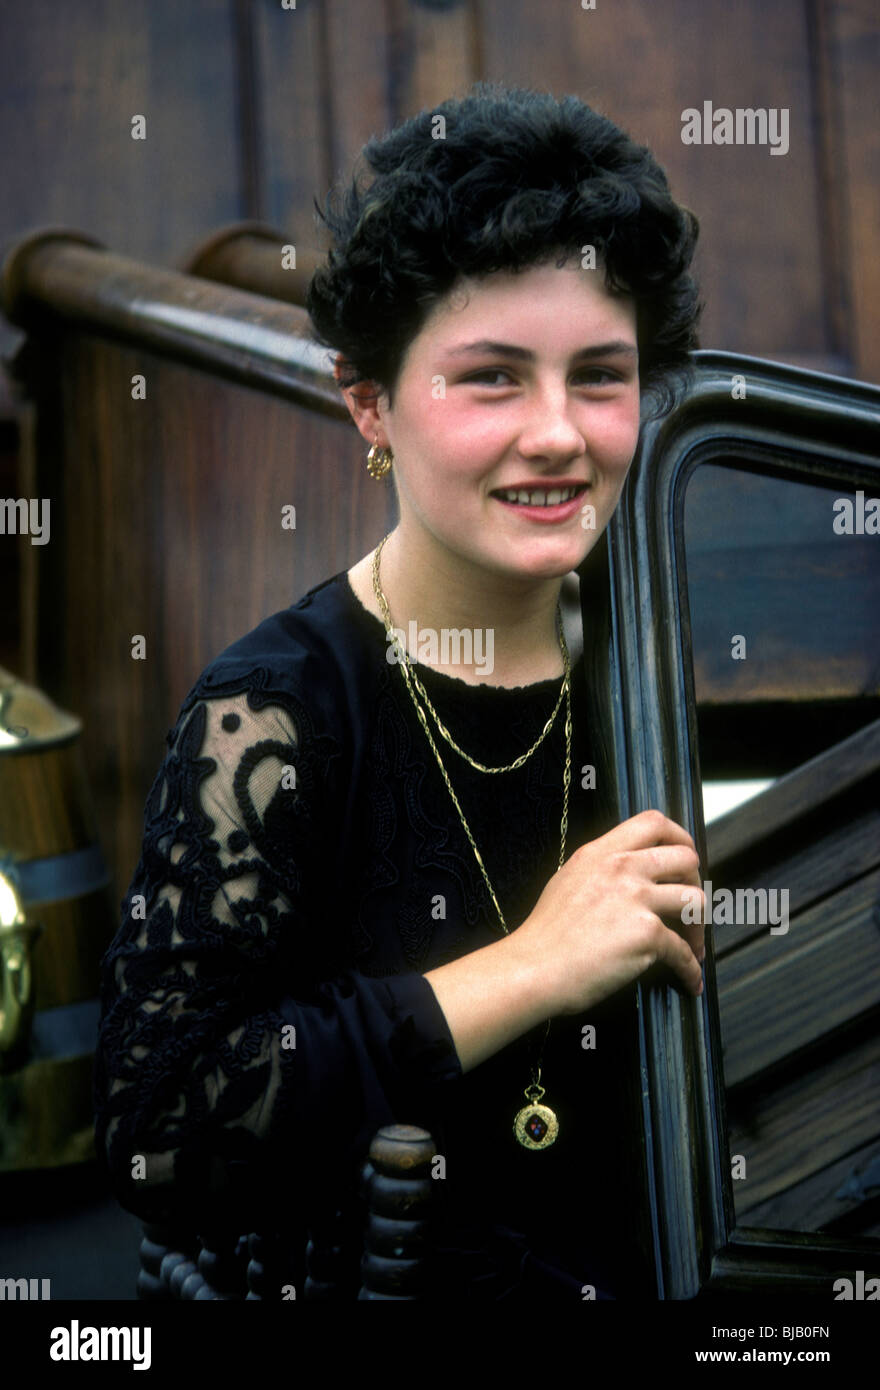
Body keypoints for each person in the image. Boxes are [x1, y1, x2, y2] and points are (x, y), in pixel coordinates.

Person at [93, 82, 706, 1302]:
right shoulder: (269, 711)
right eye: (490, 379)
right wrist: (531, 966)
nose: (558, 435)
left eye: (600, 376)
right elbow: (163, 1129)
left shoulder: (647, 658)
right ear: (367, 402)